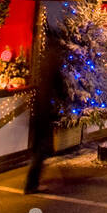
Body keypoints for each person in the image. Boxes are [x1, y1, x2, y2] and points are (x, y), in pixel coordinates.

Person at [24, 32, 68, 193]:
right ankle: (32, 183)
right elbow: (59, 83)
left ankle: (32, 179)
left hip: (38, 107)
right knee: (42, 147)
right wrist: (63, 96)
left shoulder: (43, 59)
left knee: (39, 145)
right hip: (44, 109)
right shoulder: (53, 60)